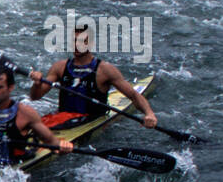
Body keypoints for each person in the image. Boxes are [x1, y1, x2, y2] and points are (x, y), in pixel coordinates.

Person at [27, 24, 158, 128]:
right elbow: (35, 97)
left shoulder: (105, 70)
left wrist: (149, 114)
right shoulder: (60, 67)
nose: (77, 45)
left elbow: (133, 95)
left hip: (89, 121)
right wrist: (37, 83)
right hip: (63, 119)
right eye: (74, 41)